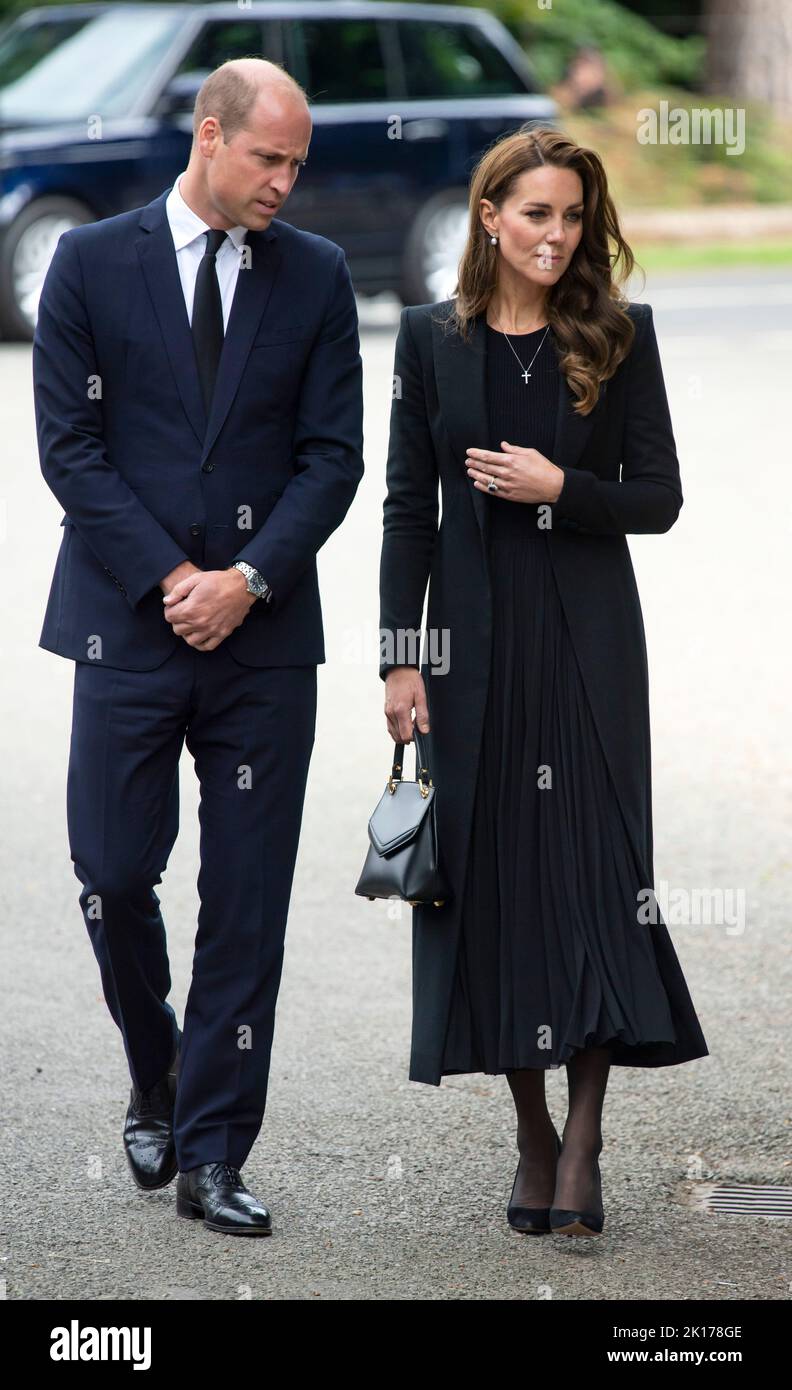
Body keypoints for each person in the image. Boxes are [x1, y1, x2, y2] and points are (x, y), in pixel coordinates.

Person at [33, 58, 364, 1236]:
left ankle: (214, 1151)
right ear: (209, 137)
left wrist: (250, 578)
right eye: (268, 159)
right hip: (124, 626)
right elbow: (70, 448)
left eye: (298, 165)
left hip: (263, 647)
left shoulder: (317, 278)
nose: (284, 183)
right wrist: (177, 579)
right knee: (114, 873)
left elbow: (334, 459)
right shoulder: (88, 261)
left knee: (247, 907)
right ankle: (156, 1069)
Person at [378, 125, 708, 1239]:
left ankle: (587, 1132)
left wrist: (562, 484)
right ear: (489, 217)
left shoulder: (620, 334)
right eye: (536, 216)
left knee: (596, 878)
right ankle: (530, 1130)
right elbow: (406, 512)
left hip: (588, 641)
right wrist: (400, 657)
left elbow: (658, 497)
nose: (557, 236)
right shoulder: (430, 341)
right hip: (472, 650)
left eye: (573, 217)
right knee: (498, 885)